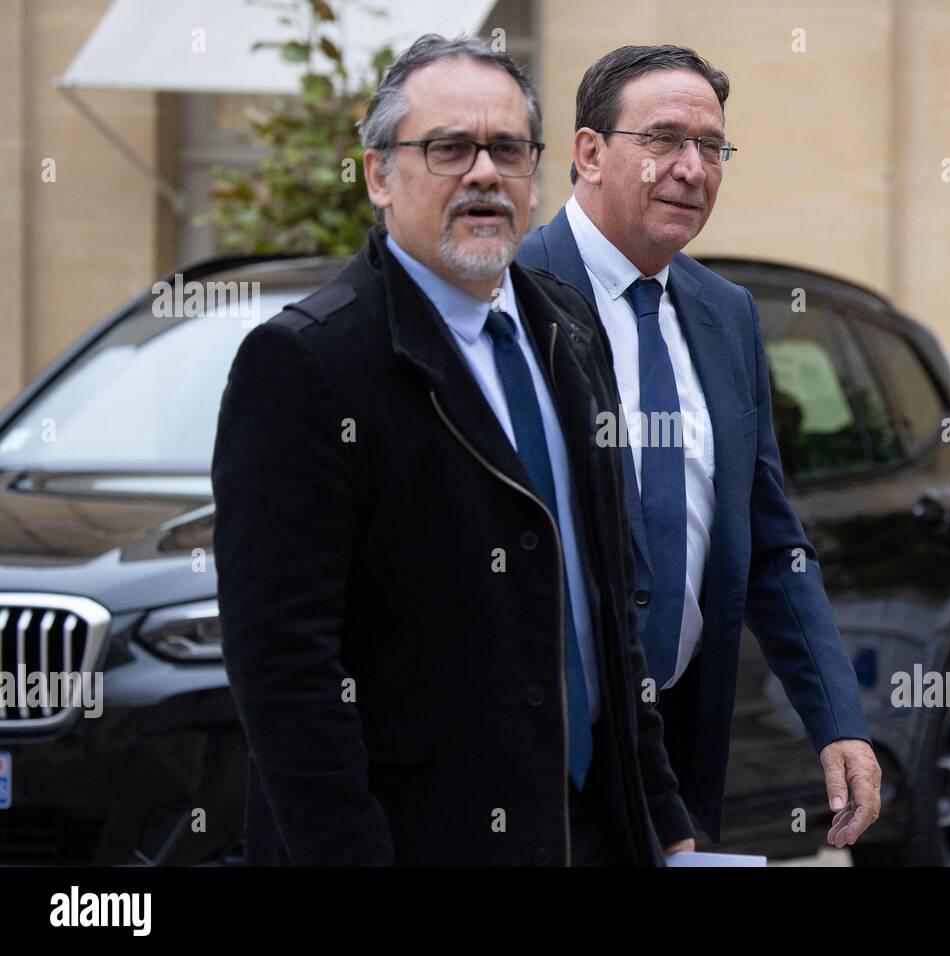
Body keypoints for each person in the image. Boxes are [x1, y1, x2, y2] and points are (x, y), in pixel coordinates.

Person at [211, 34, 694, 866]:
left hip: (588, 830)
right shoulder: (307, 365)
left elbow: (609, 601)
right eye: (448, 148)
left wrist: (662, 814)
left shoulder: (567, 328)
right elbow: (286, 672)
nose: (482, 173)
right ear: (377, 175)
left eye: (506, 149)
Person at [518, 44, 881, 848]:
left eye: (711, 147)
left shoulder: (727, 316)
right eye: (663, 140)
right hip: (549, 745)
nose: (693, 168)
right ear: (588, 153)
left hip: (684, 734)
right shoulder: (513, 293)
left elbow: (769, 543)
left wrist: (837, 721)